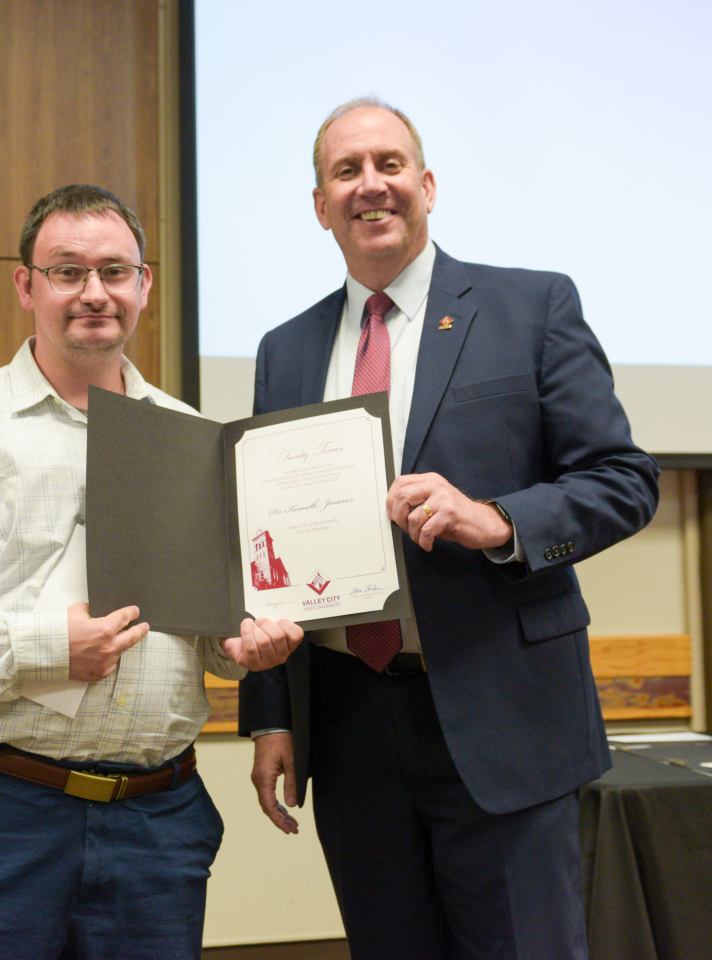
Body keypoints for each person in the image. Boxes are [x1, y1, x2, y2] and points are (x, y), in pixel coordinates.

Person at [238, 99, 660, 959]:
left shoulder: (532, 306)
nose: (371, 186)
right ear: (320, 205)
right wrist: (270, 717)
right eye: (346, 171)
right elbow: (263, 545)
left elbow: (624, 481)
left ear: (426, 185)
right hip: (350, 724)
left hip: (503, 712)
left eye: (389, 164)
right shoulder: (285, 349)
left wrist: (496, 519)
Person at [0, 184, 303, 960]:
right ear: (26, 286)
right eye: (67, 272)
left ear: (144, 286)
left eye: (115, 272)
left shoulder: (196, 442)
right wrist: (45, 648)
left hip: (156, 828)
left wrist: (243, 649)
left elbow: (207, 632)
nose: (95, 293)